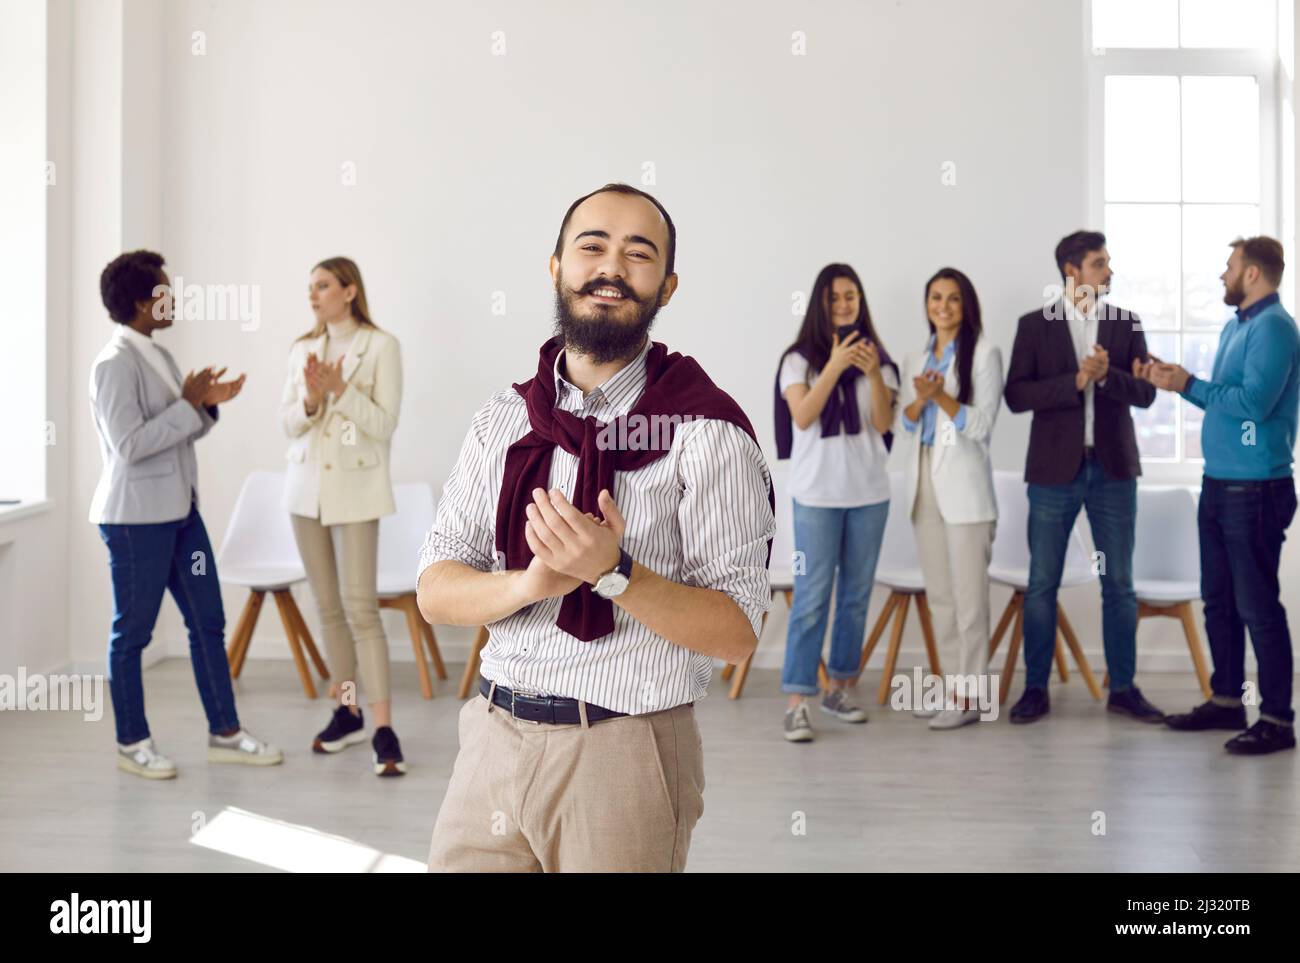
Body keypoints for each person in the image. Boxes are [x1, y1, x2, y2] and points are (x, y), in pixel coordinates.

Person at [417, 182, 775, 872]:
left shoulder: (705, 431)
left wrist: (615, 574)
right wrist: (529, 582)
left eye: (638, 255)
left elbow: (737, 633)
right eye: (592, 246)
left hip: (622, 749)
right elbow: (436, 588)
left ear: (667, 286)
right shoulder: (504, 419)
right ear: (555, 266)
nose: (611, 267)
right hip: (491, 739)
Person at [90, 250, 281, 779]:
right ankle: (133, 742)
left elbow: (178, 432)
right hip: (135, 522)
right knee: (133, 634)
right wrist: (187, 405)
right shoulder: (112, 365)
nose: (174, 299)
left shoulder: (160, 355)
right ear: (139, 302)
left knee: (208, 622)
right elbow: (130, 445)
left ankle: (226, 732)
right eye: (165, 292)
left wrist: (206, 405)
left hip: (180, 515)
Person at [1145, 237, 1300, 755]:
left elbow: (1254, 404)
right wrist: (1180, 384)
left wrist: (1191, 383)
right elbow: (1224, 395)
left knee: (1258, 606)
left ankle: (1277, 720)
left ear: (1252, 273)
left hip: (1255, 489)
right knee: (1219, 601)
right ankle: (1228, 701)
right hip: (1220, 484)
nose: (1222, 275)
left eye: (1229, 266)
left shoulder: (1276, 329)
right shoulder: (1238, 326)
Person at [1003, 230, 1163, 724]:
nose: (1108, 271)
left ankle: (1125, 689)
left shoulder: (1125, 323)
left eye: (1108, 263)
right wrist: (1073, 381)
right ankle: (1034, 689)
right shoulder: (1034, 326)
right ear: (1072, 270)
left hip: (1114, 468)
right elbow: (1016, 395)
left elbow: (1146, 393)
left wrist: (1105, 375)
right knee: (1042, 582)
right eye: (1100, 263)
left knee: (1119, 583)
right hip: (1053, 471)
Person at [280, 257, 406, 775]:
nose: (314, 295)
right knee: (327, 608)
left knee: (361, 610)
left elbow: (384, 423)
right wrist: (311, 399)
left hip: (357, 491)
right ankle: (347, 709)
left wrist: (340, 391)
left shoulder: (382, 346)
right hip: (305, 492)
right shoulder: (301, 349)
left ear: (350, 290)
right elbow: (288, 424)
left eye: (324, 286)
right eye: (310, 287)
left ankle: (382, 727)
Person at [773, 264, 897, 741]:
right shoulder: (798, 360)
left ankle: (840, 688)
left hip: (869, 494)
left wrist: (872, 375)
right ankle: (798, 699)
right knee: (811, 598)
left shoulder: (880, 361)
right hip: (817, 495)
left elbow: (885, 426)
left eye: (851, 297)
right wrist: (835, 366)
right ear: (820, 307)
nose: (844, 305)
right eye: (834, 298)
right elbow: (803, 416)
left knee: (855, 598)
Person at [897, 268, 1003, 730]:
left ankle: (972, 694)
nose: (943, 306)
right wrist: (922, 401)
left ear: (967, 306)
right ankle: (952, 685)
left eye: (953, 299)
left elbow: (980, 427)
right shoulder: (917, 355)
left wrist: (940, 397)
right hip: (923, 483)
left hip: (965, 491)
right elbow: (906, 420)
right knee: (940, 596)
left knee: (970, 600)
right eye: (936, 297)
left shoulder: (984, 354)